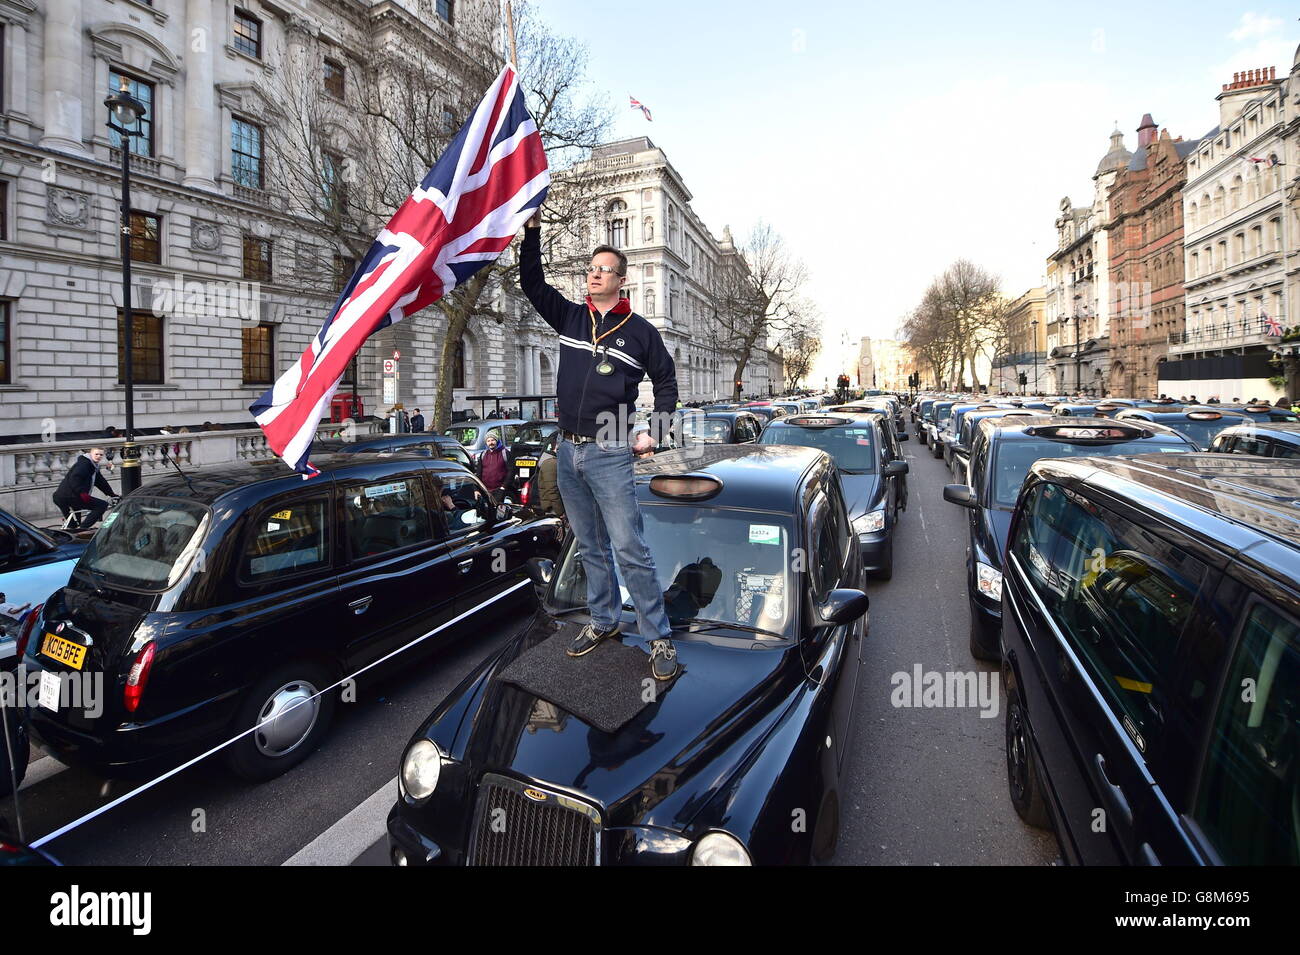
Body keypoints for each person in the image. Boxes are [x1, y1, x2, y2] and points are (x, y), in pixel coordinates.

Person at [520, 212, 680, 681]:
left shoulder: (642, 332)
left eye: (604, 268)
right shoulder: (571, 315)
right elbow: (533, 283)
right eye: (591, 267)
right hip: (567, 451)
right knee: (589, 545)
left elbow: (667, 381)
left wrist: (657, 431)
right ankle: (604, 620)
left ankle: (658, 637)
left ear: (621, 280)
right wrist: (532, 234)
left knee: (629, 547)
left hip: (611, 448)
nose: (594, 273)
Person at [52, 447, 116, 530]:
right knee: (101, 505)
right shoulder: (85, 464)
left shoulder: (93, 466)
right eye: (96, 454)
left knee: (73, 526)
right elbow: (75, 478)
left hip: (63, 496)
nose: (98, 456)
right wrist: (82, 493)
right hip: (70, 496)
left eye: (101, 455)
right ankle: (82, 529)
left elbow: (101, 482)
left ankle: (73, 530)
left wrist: (111, 494)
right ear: (90, 454)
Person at [476, 432, 512, 504]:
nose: (490, 443)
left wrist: (503, 487)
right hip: (485, 490)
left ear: (497, 441)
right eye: (488, 441)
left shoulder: (505, 453)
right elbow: (478, 473)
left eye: (492, 440)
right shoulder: (483, 454)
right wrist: (476, 489)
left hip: (499, 490)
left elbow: (511, 471)